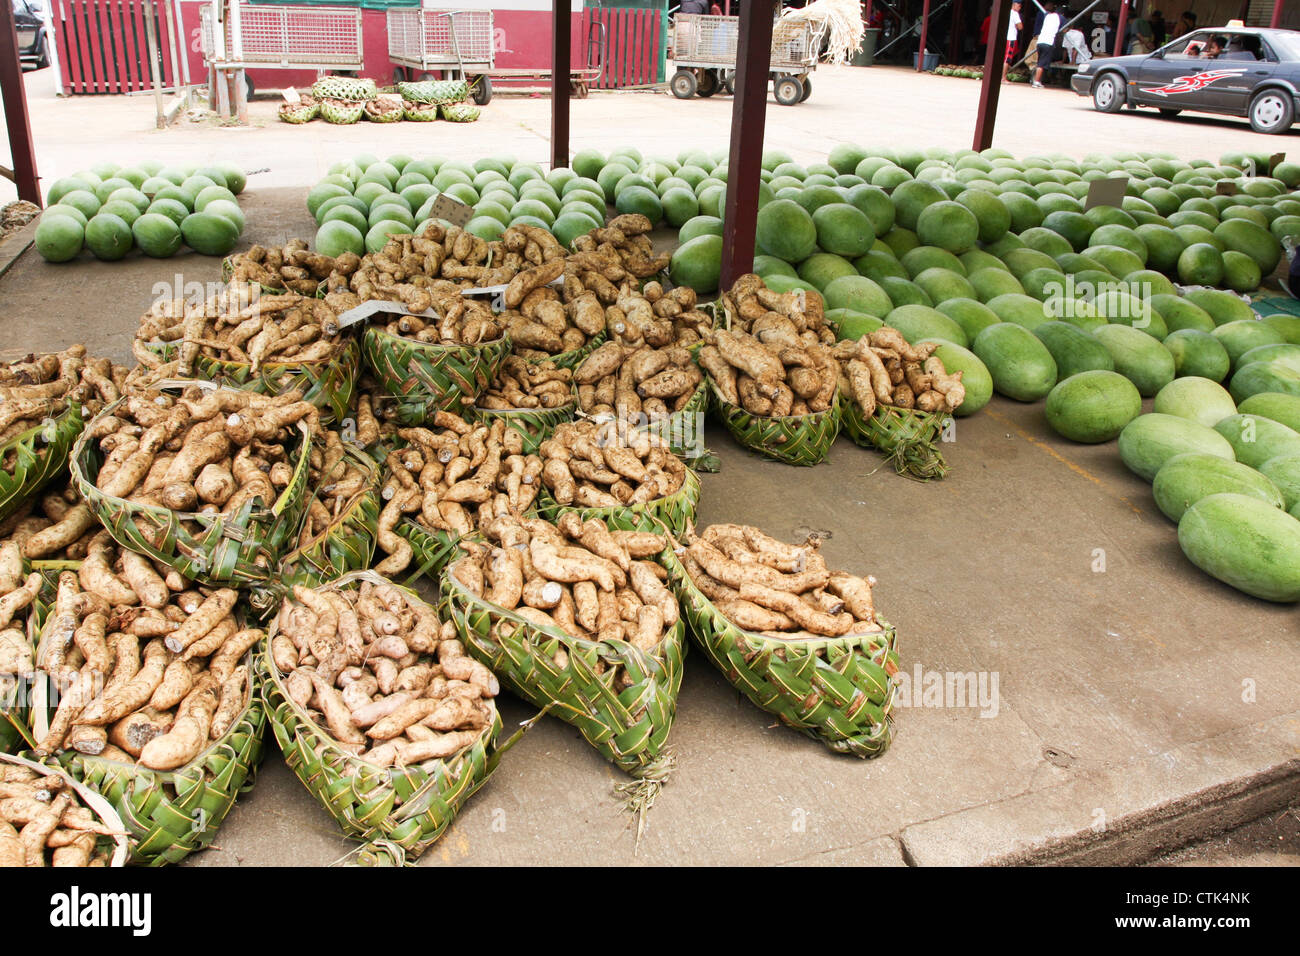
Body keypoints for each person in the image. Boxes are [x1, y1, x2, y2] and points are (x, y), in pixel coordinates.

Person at [1031, 0, 1061, 88]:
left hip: (1040, 41)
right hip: (1048, 42)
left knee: (1040, 62)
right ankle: (1036, 81)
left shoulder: (1047, 16)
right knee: (1041, 64)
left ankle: (1037, 80)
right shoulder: (1059, 17)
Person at [1003, 0, 1023, 81]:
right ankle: (1003, 77)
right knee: (1007, 58)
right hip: (1011, 38)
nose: (1020, 7)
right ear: (1015, 4)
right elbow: (1020, 27)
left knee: (1003, 57)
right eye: (1019, 6)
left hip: (1004, 37)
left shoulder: (1005, 12)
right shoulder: (1015, 14)